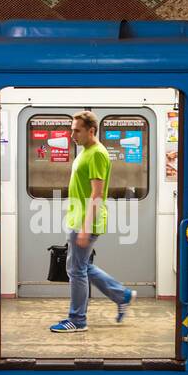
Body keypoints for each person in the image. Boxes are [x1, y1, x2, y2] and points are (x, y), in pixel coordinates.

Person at [50, 110, 133, 333]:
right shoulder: (85, 151)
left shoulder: (96, 153)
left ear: (91, 131)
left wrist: (86, 227)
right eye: (71, 130)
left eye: (77, 131)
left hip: (85, 221)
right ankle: (121, 294)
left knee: (76, 270)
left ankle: (77, 320)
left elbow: (97, 194)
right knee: (82, 266)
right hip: (78, 218)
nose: (72, 135)